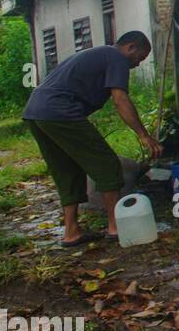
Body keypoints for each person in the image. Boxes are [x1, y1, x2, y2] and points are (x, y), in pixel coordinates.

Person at [23, 31, 163, 245]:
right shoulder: (116, 57)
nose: (137, 64)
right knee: (107, 164)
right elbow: (120, 100)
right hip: (59, 112)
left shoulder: (99, 54)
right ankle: (115, 227)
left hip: (35, 112)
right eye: (140, 58)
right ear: (131, 47)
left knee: (67, 170)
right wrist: (144, 136)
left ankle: (71, 232)